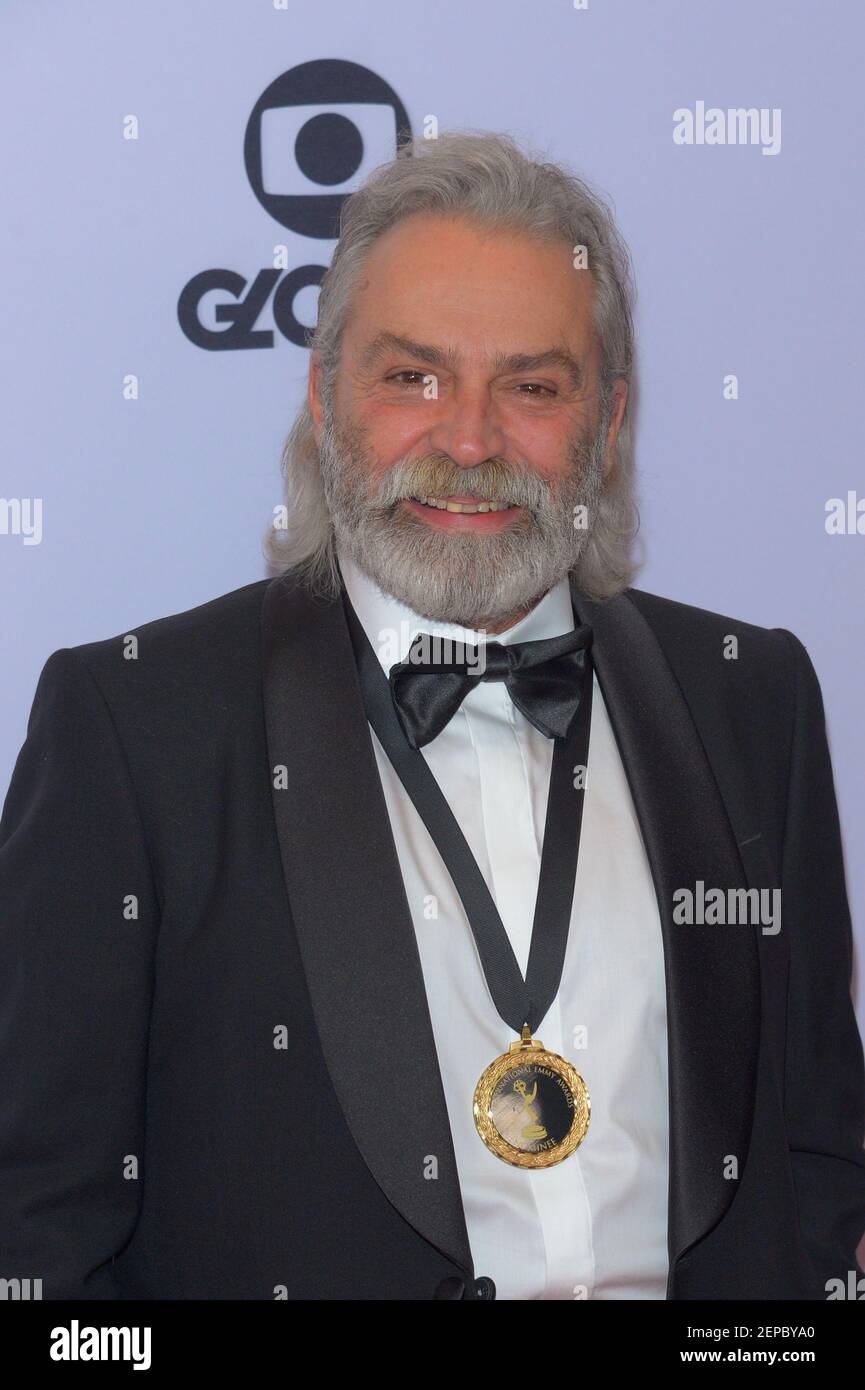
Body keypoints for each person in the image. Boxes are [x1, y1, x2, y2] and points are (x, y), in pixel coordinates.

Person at [1, 131, 863, 1301]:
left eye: (533, 385)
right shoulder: (131, 725)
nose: (468, 442)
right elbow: (33, 1232)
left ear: (607, 426)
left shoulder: (751, 698)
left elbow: (816, 1160)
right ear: (322, 401)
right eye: (412, 376)